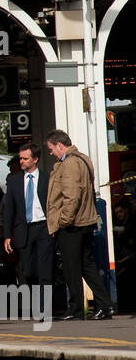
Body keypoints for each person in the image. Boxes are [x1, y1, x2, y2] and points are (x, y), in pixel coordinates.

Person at [45, 130, 113, 320]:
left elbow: (71, 196)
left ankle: (75, 309)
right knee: (86, 265)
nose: (51, 153)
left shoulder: (69, 164)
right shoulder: (83, 159)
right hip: (84, 222)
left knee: (71, 268)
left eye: (51, 149)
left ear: (60, 145)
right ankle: (105, 305)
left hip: (73, 224)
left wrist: (63, 221)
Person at [2, 142, 54, 298]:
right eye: (20, 158)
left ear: (35, 159)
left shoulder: (46, 179)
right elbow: (9, 209)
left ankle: (44, 308)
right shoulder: (14, 181)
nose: (21, 161)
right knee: (28, 270)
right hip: (24, 229)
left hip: (44, 227)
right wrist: (7, 236)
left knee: (45, 269)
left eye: (25, 158)